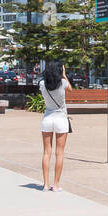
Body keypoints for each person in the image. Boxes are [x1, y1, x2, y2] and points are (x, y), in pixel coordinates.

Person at [39, 60, 70, 192]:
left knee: (47, 152)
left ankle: (45, 184)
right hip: (61, 118)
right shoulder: (62, 83)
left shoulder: (42, 84)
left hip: (47, 118)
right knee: (60, 154)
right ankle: (56, 185)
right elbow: (70, 89)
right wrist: (64, 74)